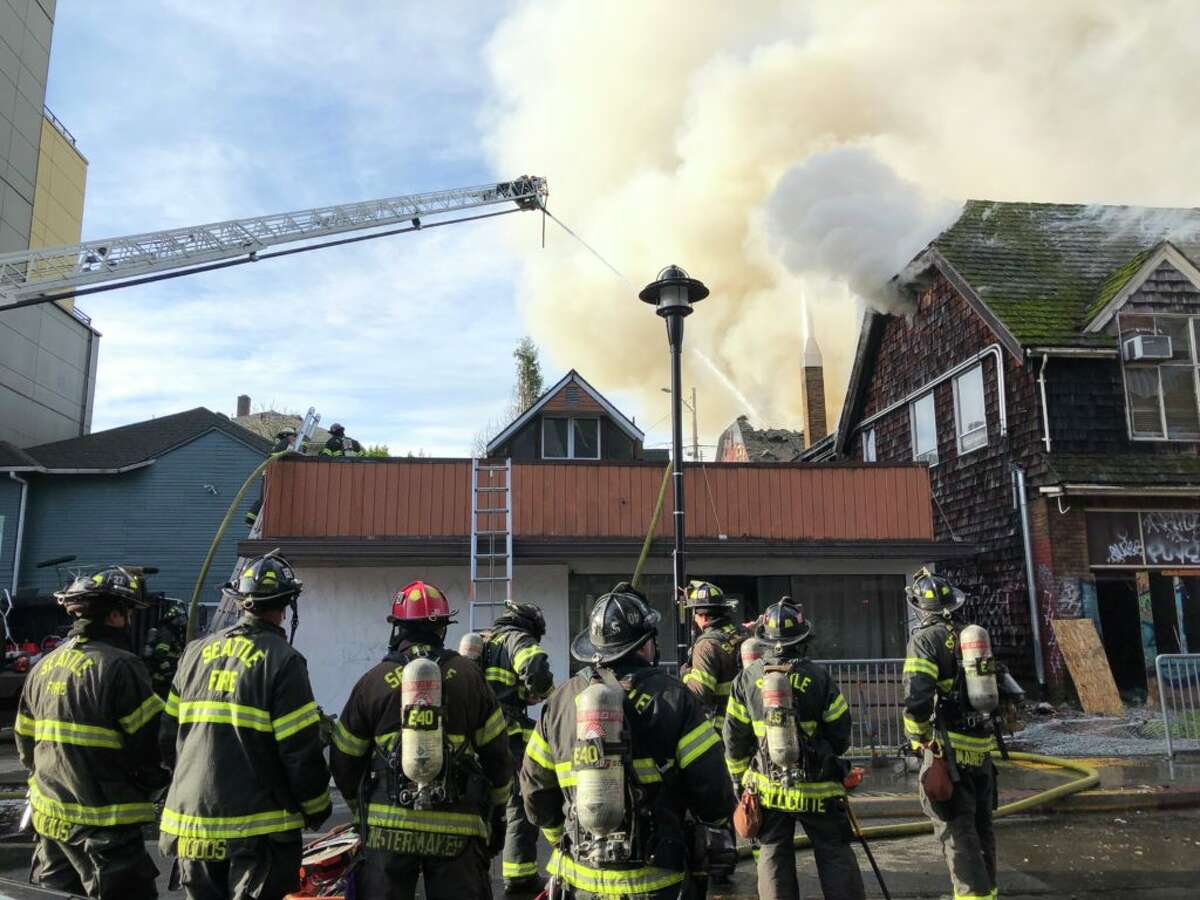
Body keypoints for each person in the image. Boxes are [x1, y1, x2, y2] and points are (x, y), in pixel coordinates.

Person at [521, 581, 734, 899]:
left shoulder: (560, 701)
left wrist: (561, 837)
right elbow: (713, 790)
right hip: (659, 879)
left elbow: (535, 792)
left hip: (579, 878)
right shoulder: (675, 698)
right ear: (645, 644)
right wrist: (709, 829)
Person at [159, 552, 331, 900]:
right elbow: (299, 750)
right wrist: (316, 807)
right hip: (257, 833)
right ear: (286, 606)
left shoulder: (193, 653)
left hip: (192, 826)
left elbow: (167, 739)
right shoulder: (284, 661)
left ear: (239, 602)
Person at [330, 581, 512, 900]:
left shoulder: (373, 682)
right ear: (442, 629)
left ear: (398, 628)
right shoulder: (470, 677)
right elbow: (498, 757)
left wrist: (361, 816)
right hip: (458, 830)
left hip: (388, 831)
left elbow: (344, 759)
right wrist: (496, 816)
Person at [15, 566, 166, 898]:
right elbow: (153, 743)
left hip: (50, 822)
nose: (129, 622)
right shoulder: (121, 666)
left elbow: (25, 743)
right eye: (126, 613)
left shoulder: (44, 665)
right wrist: (151, 783)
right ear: (113, 616)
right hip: (104, 830)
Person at [724, 598, 865, 900]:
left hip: (767, 789)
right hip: (818, 789)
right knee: (834, 852)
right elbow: (841, 737)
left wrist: (739, 782)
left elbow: (734, 740)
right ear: (802, 640)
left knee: (773, 855)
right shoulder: (818, 677)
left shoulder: (747, 679)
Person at [903, 568, 1004, 900]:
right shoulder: (969, 637)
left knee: (956, 831)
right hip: (980, 747)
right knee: (980, 826)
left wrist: (918, 739)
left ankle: (971, 895)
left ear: (920, 607)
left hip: (947, 752)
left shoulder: (924, 640)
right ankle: (987, 891)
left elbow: (918, 697)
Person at [480, 600, 554, 894]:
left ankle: (476, 874)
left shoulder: (485, 641)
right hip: (508, 736)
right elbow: (535, 666)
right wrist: (544, 691)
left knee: (481, 808)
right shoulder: (517, 637)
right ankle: (520, 877)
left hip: (479, 737)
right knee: (520, 805)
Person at [678, 580, 745, 883]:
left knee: (716, 796)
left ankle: (718, 861)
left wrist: (683, 675)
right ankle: (738, 856)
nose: (694, 620)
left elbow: (699, 692)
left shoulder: (707, 644)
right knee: (741, 794)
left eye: (694, 614)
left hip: (718, 730)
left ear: (702, 615)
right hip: (747, 729)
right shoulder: (740, 636)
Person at [246, 427, 297, 526]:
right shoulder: (284, 443)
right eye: (293, 436)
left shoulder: (281, 444)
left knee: (264, 498)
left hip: (269, 473)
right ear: (286, 435)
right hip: (270, 473)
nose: (294, 438)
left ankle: (251, 520)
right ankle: (250, 520)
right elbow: (275, 457)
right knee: (264, 498)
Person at [142, 597, 189, 698]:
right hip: (161, 680)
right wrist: (169, 673)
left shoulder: (173, 633)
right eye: (179, 619)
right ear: (174, 619)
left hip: (165, 678)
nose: (182, 622)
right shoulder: (167, 633)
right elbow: (160, 655)